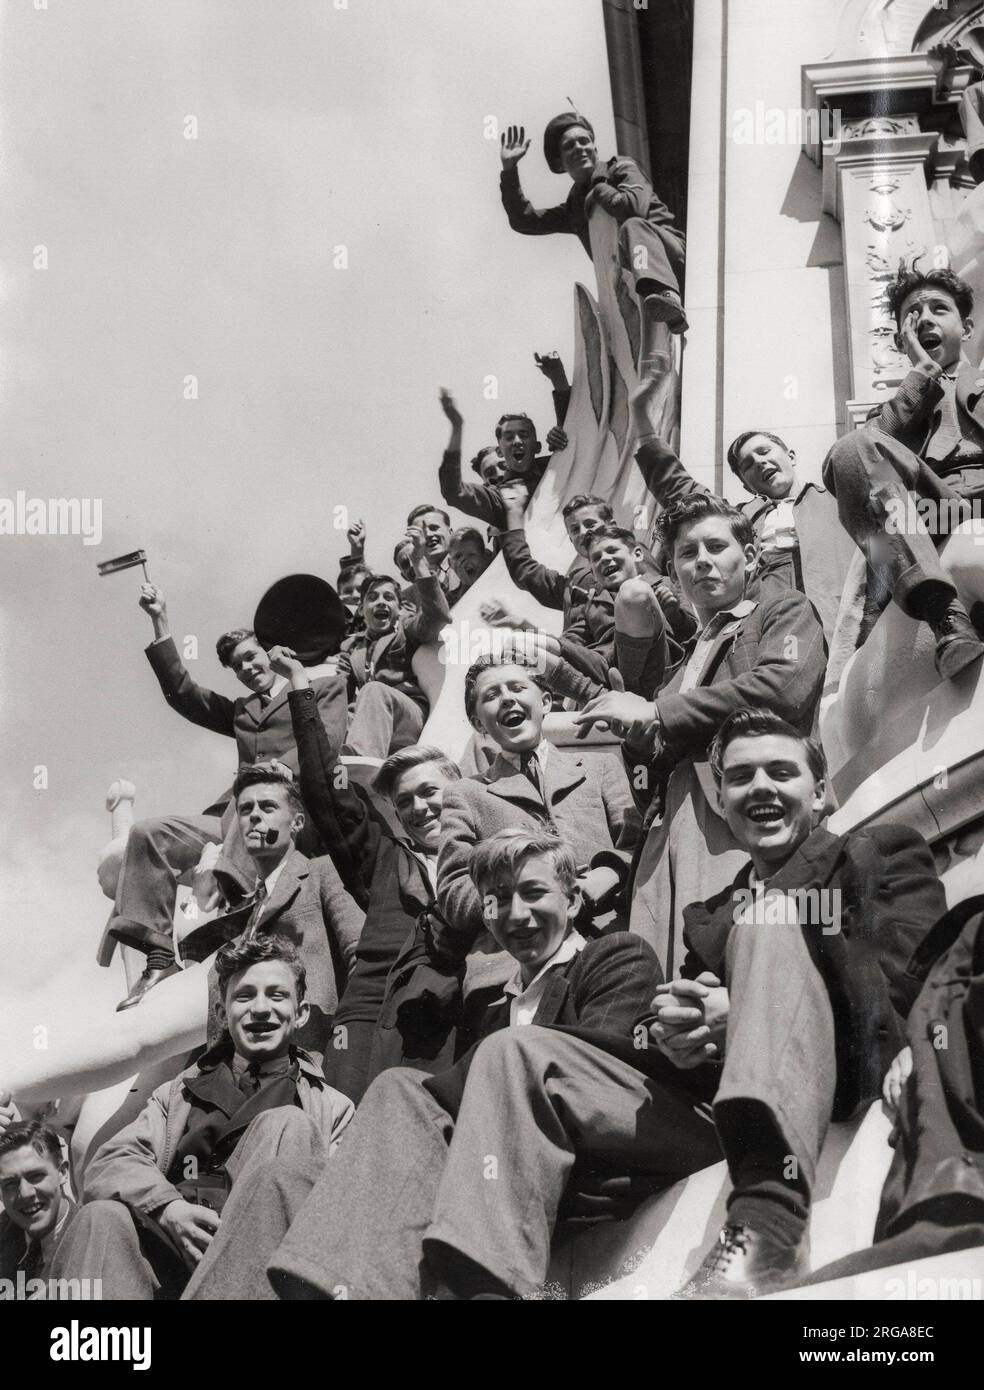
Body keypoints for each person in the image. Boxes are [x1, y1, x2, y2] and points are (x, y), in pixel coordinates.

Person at [230, 830, 703, 1300]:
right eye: (497, 900)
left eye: (533, 892)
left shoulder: (614, 955)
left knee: (408, 1085)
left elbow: (591, 1090)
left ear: (574, 900)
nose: (515, 914)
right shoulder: (496, 1010)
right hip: (495, 1178)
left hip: (610, 1164)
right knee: (284, 1178)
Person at [637, 708, 946, 1298]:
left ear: (821, 793)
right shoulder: (709, 920)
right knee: (514, 1054)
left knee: (771, 914)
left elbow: (914, 978)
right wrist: (678, 1036)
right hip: (737, 1108)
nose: (761, 788)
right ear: (722, 799)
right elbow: (704, 1049)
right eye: (740, 776)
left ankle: (768, 1234)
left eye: (782, 772)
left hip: (852, 1069)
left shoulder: (876, 853)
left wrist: (751, 1011)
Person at [574, 493, 827, 977]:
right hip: (668, 822)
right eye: (688, 554)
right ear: (673, 572)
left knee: (735, 961)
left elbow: (783, 688)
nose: (702, 562)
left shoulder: (782, 611)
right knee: (663, 969)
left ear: (750, 557)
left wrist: (656, 710)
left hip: (741, 806)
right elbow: (654, 756)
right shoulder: (685, 660)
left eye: (716, 547)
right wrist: (639, 736)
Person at [47, 936, 353, 1301]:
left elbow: (340, 1216)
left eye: (276, 995)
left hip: (260, 1262)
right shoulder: (178, 1093)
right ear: (222, 1013)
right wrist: (169, 1209)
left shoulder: (332, 1108)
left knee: (286, 1123)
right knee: (101, 1216)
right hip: (178, 1254)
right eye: (244, 996)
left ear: (300, 1013)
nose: (260, 1009)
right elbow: (110, 1162)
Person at [109, 584, 348, 1010]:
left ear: (270, 652)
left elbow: (327, 741)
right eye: (238, 666)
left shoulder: (319, 686)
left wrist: (275, 773)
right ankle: (160, 955)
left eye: (252, 657)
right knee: (149, 833)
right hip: (233, 820)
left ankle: (241, 913)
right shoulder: (241, 711)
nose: (248, 668)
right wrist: (159, 620)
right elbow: (183, 693)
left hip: (297, 808)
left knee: (251, 798)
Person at [272, 642, 463, 1101]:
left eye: (430, 791)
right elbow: (326, 791)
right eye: (404, 802)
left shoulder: (492, 857)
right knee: (343, 1143)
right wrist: (301, 688)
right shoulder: (384, 858)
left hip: (452, 1011)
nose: (420, 808)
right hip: (370, 1017)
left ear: (462, 791)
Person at [822, 263, 984, 678]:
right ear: (901, 340)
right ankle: (944, 614)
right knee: (851, 447)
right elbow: (844, 468)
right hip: (932, 512)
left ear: (966, 328)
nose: (926, 318)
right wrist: (922, 374)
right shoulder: (895, 408)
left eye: (938, 309)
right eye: (914, 315)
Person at [433, 649, 640, 966]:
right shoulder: (465, 793)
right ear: (478, 723)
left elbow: (637, 846)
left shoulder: (601, 769)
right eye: (491, 694)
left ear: (545, 702)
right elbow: (453, 894)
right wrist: (521, 899)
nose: (506, 699)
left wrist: (608, 874)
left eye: (517, 688)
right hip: (507, 966)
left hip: (605, 947)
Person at [630, 377, 858, 650]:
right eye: (748, 464)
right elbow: (676, 485)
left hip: (834, 611)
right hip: (763, 616)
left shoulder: (836, 497)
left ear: (792, 457)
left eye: (764, 451)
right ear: (745, 484)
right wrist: (640, 415)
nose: (760, 462)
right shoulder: (737, 517)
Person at [180, 761, 365, 1061]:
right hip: (242, 1071)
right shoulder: (244, 907)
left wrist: (347, 1049)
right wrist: (197, 892)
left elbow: (363, 956)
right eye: (245, 809)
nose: (254, 815)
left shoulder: (322, 872)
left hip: (314, 1057)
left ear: (297, 823)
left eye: (267, 807)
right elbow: (190, 945)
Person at [500, 113, 687, 332]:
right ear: (560, 162)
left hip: (668, 257)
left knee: (632, 226)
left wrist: (599, 188)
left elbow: (632, 208)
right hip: (632, 283)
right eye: (569, 145)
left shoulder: (621, 168)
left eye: (584, 141)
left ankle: (667, 298)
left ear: (595, 149)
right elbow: (524, 220)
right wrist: (509, 170)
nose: (579, 147)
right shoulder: (575, 207)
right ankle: (661, 312)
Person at [489, 508, 696, 702]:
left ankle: (624, 691)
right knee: (520, 645)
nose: (604, 559)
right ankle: (604, 692)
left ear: (637, 554)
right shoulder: (591, 603)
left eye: (612, 550)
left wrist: (673, 614)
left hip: (657, 665)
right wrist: (523, 626)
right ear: (592, 571)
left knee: (633, 593)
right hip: (604, 665)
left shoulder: (664, 583)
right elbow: (572, 643)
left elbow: (694, 632)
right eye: (596, 558)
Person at [339, 524, 451, 760]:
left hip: (407, 715)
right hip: (370, 723)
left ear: (399, 608)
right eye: (372, 598)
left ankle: (361, 764)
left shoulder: (405, 628)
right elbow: (339, 694)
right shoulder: (351, 650)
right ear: (361, 609)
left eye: (389, 597)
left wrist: (419, 562)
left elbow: (438, 617)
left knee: (373, 690)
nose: (381, 602)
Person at [437, 390, 568, 530]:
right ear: (500, 451)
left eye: (524, 435)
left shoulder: (554, 464)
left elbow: (578, 425)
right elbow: (454, 492)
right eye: (509, 437)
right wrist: (457, 427)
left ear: (537, 447)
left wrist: (561, 434)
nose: (517, 441)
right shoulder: (500, 498)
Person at [0, 1121, 76, 1285]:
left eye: (36, 1176)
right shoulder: (4, 1233)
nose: (25, 1193)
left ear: (62, 1173)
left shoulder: (95, 1233)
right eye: (11, 1184)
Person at [448, 527, 492, 598]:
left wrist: (468, 585)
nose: (464, 560)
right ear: (450, 564)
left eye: (471, 555)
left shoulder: (499, 579)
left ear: (484, 555)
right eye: (458, 556)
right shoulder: (450, 599)